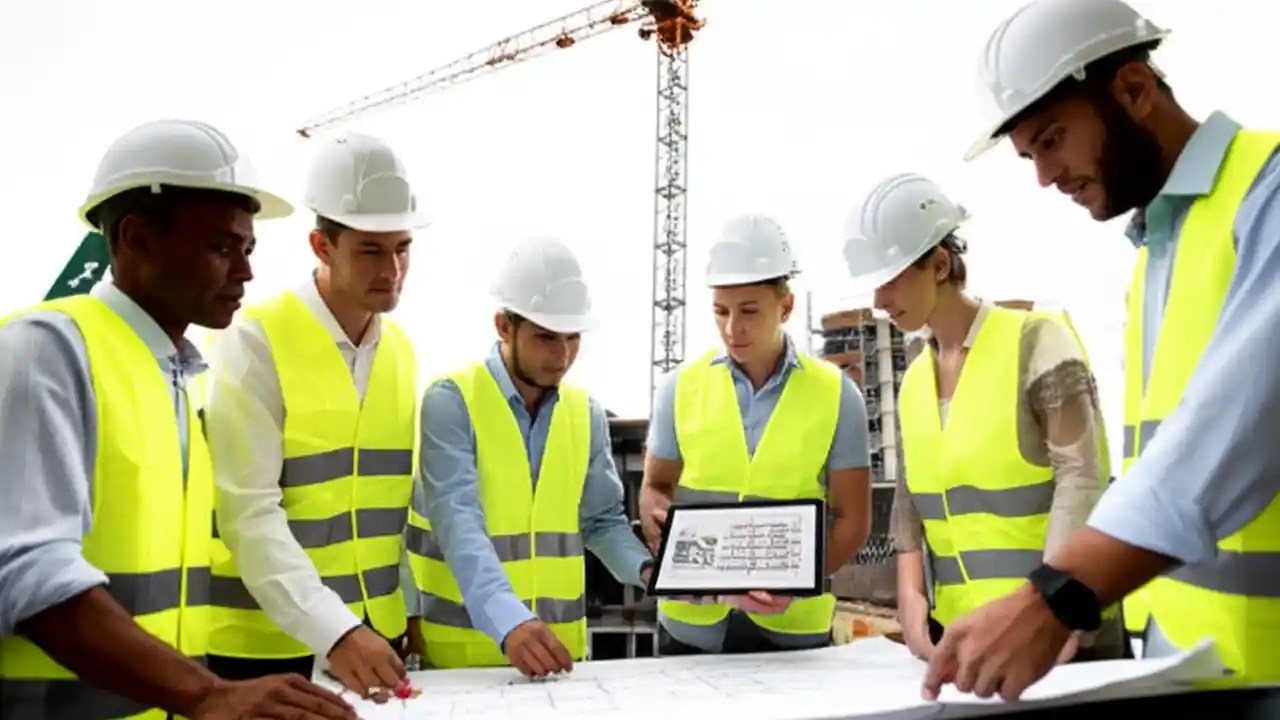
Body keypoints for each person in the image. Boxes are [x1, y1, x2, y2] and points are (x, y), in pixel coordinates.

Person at [922, 0, 1280, 701]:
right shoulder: (1156, 253)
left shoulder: (1265, 194)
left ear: (1135, 91)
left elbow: (1234, 431)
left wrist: (1058, 597)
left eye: (1053, 140)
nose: (1045, 177)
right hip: (1190, 666)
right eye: (1030, 156)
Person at [0, 119, 355, 719]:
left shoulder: (180, 378)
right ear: (136, 239)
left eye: (247, 249)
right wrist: (211, 694)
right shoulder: (50, 348)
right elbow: (31, 572)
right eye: (221, 247)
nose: (244, 271)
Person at [843, 172, 1125, 665]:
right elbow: (910, 501)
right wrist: (911, 599)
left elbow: (1083, 479)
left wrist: (1052, 613)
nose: (879, 301)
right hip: (967, 644)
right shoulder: (913, 380)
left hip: (1060, 642)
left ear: (938, 264)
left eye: (889, 279)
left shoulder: (1037, 342)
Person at [202, 131, 428, 699]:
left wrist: (402, 616)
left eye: (402, 248)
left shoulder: (400, 351)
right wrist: (336, 630)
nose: (393, 269)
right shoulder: (255, 340)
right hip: (260, 647)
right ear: (321, 246)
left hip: (372, 640)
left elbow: (393, 510)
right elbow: (247, 513)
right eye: (371, 251)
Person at [405, 235, 654, 676]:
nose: (561, 356)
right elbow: (458, 523)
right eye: (545, 337)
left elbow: (600, 523)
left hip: (560, 661)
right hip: (465, 660)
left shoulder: (586, 412)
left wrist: (653, 572)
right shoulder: (450, 402)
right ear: (504, 326)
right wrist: (510, 620)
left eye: (573, 338)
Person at [639, 214, 873, 655]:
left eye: (749, 311)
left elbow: (854, 520)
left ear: (785, 307)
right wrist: (655, 516)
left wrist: (800, 582)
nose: (732, 328)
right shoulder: (678, 388)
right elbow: (655, 487)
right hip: (691, 625)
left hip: (793, 628)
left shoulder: (838, 394)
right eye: (721, 312)